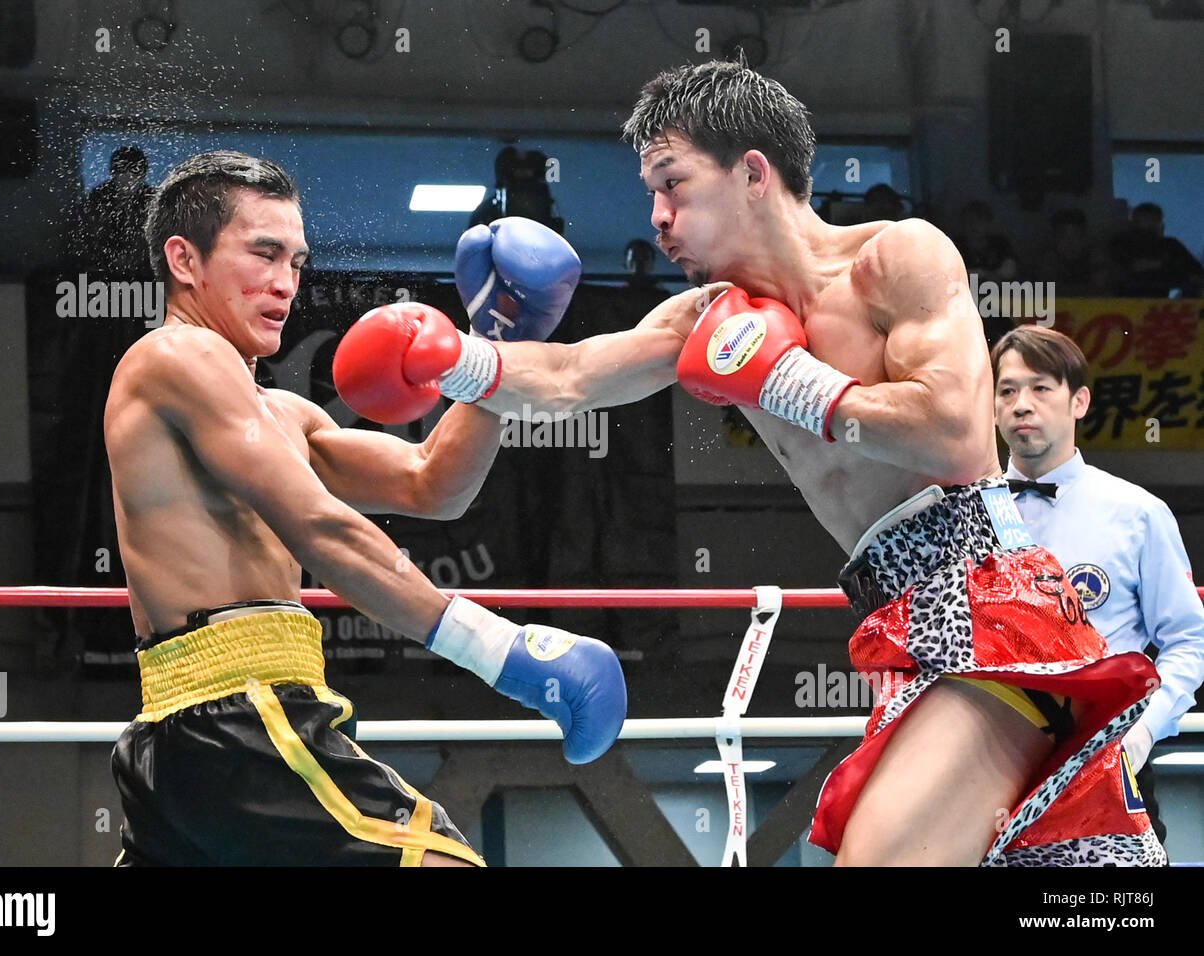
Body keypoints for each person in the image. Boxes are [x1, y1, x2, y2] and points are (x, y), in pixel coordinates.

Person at [338, 61, 1164, 866]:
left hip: (987, 598)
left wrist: (789, 380)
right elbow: (569, 379)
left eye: (674, 184)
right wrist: (454, 360)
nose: (657, 217)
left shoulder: (895, 257)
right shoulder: (704, 315)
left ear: (754, 173)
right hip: (902, 619)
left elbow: (951, 430)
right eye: (651, 194)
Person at [104, 150, 625, 866]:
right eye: (263, 254)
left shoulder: (282, 413)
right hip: (239, 715)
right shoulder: (176, 356)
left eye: (296, 261)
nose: (286, 283)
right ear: (184, 260)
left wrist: (497, 352)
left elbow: (432, 482)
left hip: (201, 732)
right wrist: (502, 652)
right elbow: (318, 526)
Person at [993, 324, 1204, 848]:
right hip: (989, 765)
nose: (1023, 404)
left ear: (1079, 401)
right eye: (1007, 390)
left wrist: (1143, 731)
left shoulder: (1137, 514)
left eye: (1041, 388)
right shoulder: (962, 513)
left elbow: (1188, 639)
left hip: (1108, 758)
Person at [84, 146, 156, 275]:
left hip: (143, 269)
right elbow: (90, 235)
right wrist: (110, 258)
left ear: (143, 174)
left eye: (133, 171)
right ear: (113, 173)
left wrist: (135, 257)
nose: (127, 178)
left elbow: (155, 238)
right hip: (102, 267)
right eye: (122, 171)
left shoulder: (152, 200)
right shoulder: (99, 198)